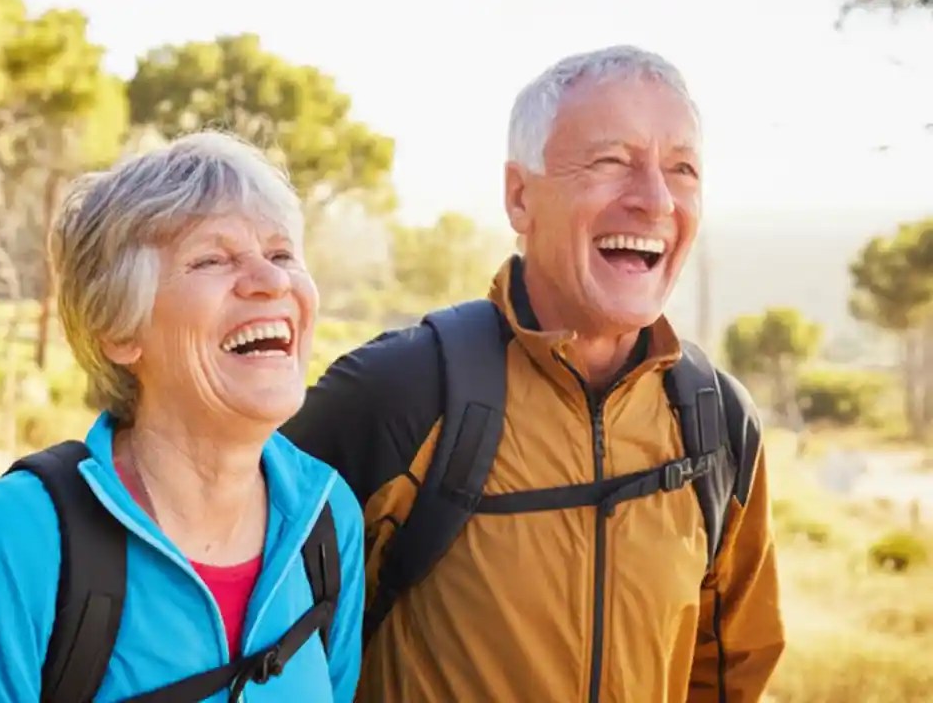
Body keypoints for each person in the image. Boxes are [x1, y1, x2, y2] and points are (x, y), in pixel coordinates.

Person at [281, 45, 786, 702]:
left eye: (682, 168)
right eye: (612, 161)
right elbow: (265, 639)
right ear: (520, 197)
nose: (656, 200)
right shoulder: (397, 394)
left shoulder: (717, 422)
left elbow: (729, 672)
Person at [0, 131, 364, 702]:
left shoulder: (326, 520)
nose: (272, 281)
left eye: (282, 254)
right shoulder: (11, 543)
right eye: (212, 258)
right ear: (119, 328)